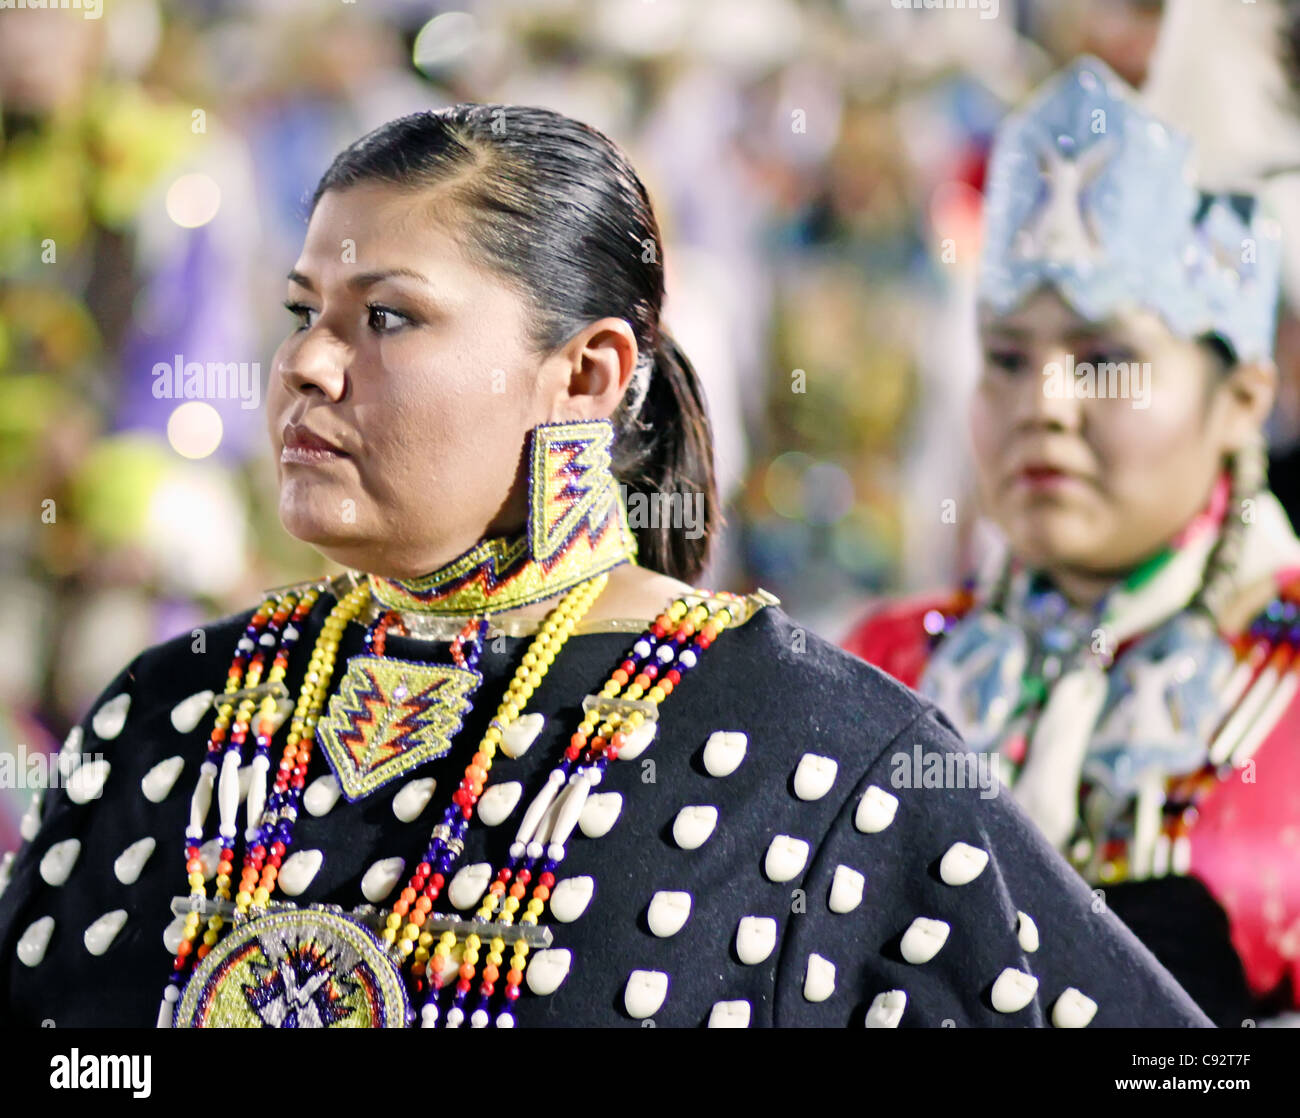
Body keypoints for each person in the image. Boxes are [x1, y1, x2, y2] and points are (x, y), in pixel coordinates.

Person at [0, 104, 1208, 1029]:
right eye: (300, 311)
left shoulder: (813, 750)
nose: (308, 364)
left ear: (584, 375)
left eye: (387, 317)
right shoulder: (175, 709)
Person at [843, 57, 1300, 1027]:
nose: (1042, 406)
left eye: (1104, 362)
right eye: (1007, 358)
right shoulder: (884, 666)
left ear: (1241, 399)